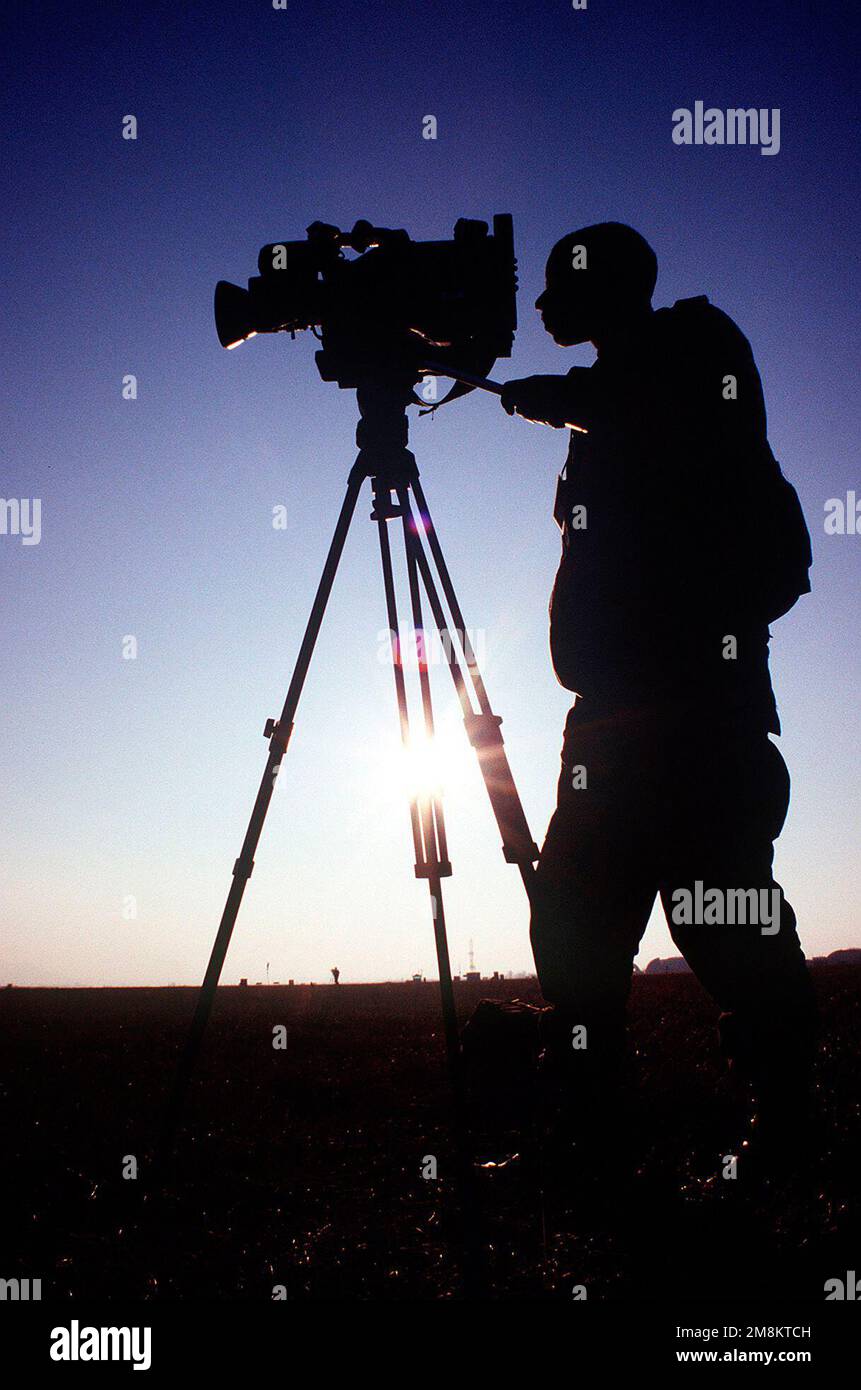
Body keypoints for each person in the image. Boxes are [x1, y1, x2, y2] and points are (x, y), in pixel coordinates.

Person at [500, 222, 816, 1172]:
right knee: (575, 927)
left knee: (721, 916)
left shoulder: (693, 346)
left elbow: (657, 405)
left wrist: (555, 399)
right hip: (608, 720)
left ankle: (789, 1129)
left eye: (560, 287)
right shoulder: (609, 399)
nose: (543, 306)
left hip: (694, 713)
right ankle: (590, 1131)